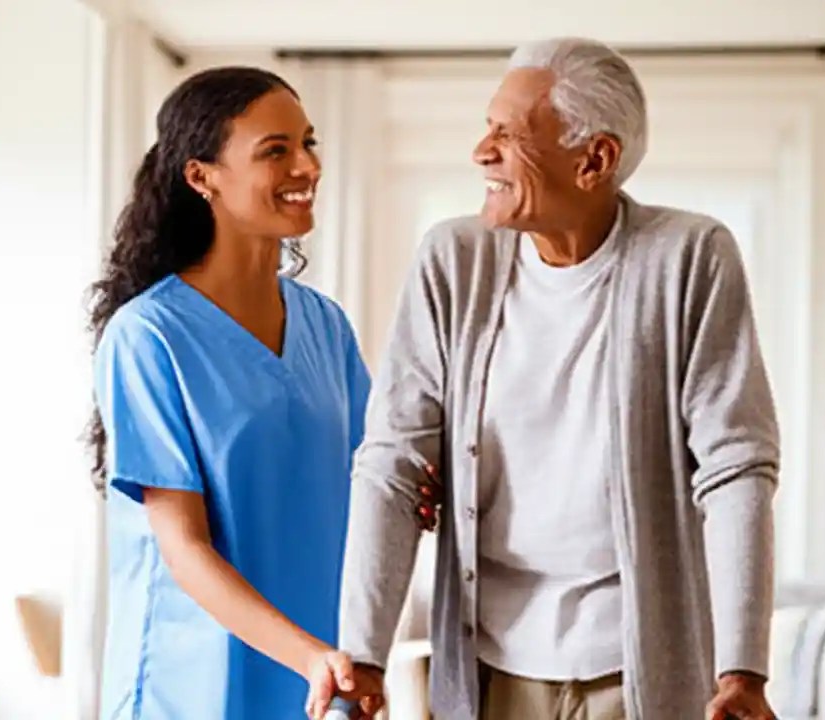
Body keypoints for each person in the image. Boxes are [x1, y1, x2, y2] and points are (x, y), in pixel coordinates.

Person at [321, 38, 780, 720]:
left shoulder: (689, 257)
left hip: (640, 666)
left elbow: (736, 463)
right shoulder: (453, 261)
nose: (482, 152)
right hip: (490, 666)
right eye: (488, 128)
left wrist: (741, 670)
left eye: (507, 135)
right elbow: (393, 460)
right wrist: (363, 653)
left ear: (594, 159)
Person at [87, 66, 375, 720]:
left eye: (309, 143)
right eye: (276, 150)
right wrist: (308, 657)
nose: (306, 165)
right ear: (201, 176)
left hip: (316, 680)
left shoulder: (325, 326)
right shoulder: (149, 337)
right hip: (191, 687)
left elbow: (377, 477)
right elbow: (182, 547)